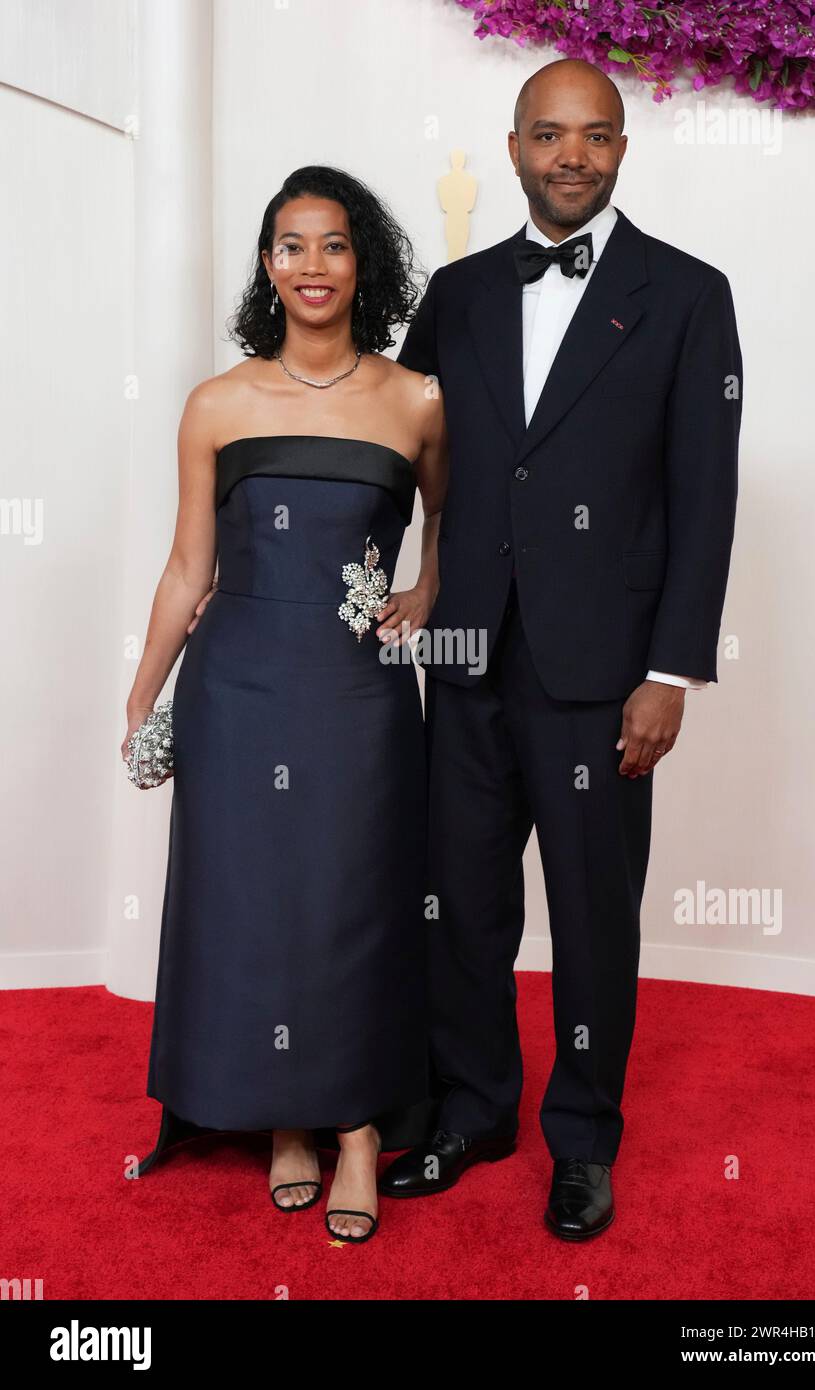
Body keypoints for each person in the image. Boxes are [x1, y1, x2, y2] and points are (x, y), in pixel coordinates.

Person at [381, 58, 742, 1240]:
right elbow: (418, 454)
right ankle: (473, 1109)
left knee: (590, 915)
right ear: (513, 145)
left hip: (604, 674)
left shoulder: (687, 294)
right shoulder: (460, 290)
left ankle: (581, 1139)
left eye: (593, 134)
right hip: (467, 650)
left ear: (623, 147)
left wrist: (670, 671)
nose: (570, 154)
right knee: (460, 905)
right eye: (548, 134)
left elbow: (703, 495)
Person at [123, 166, 447, 1243]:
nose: (311, 266)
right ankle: (283, 1123)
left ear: (367, 263)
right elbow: (185, 567)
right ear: (267, 264)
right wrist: (140, 700)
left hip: (353, 692)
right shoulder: (216, 403)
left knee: (348, 898)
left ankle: (354, 1121)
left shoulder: (414, 399)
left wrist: (425, 592)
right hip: (238, 686)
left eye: (333, 244)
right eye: (289, 245)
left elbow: (446, 528)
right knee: (253, 900)